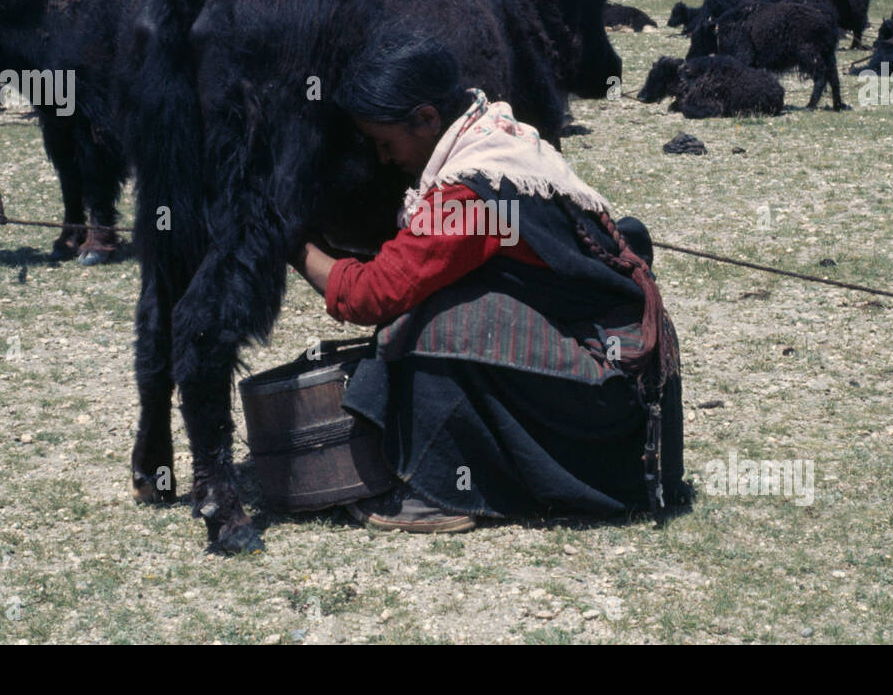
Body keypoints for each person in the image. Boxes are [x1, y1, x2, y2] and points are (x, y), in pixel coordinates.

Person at [291, 36, 683, 533]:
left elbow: (372, 294)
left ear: (428, 119)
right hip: (617, 372)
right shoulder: (497, 136)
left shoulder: (471, 192)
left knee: (426, 323)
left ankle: (443, 492)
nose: (384, 160)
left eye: (386, 143)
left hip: (610, 401)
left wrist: (298, 249)